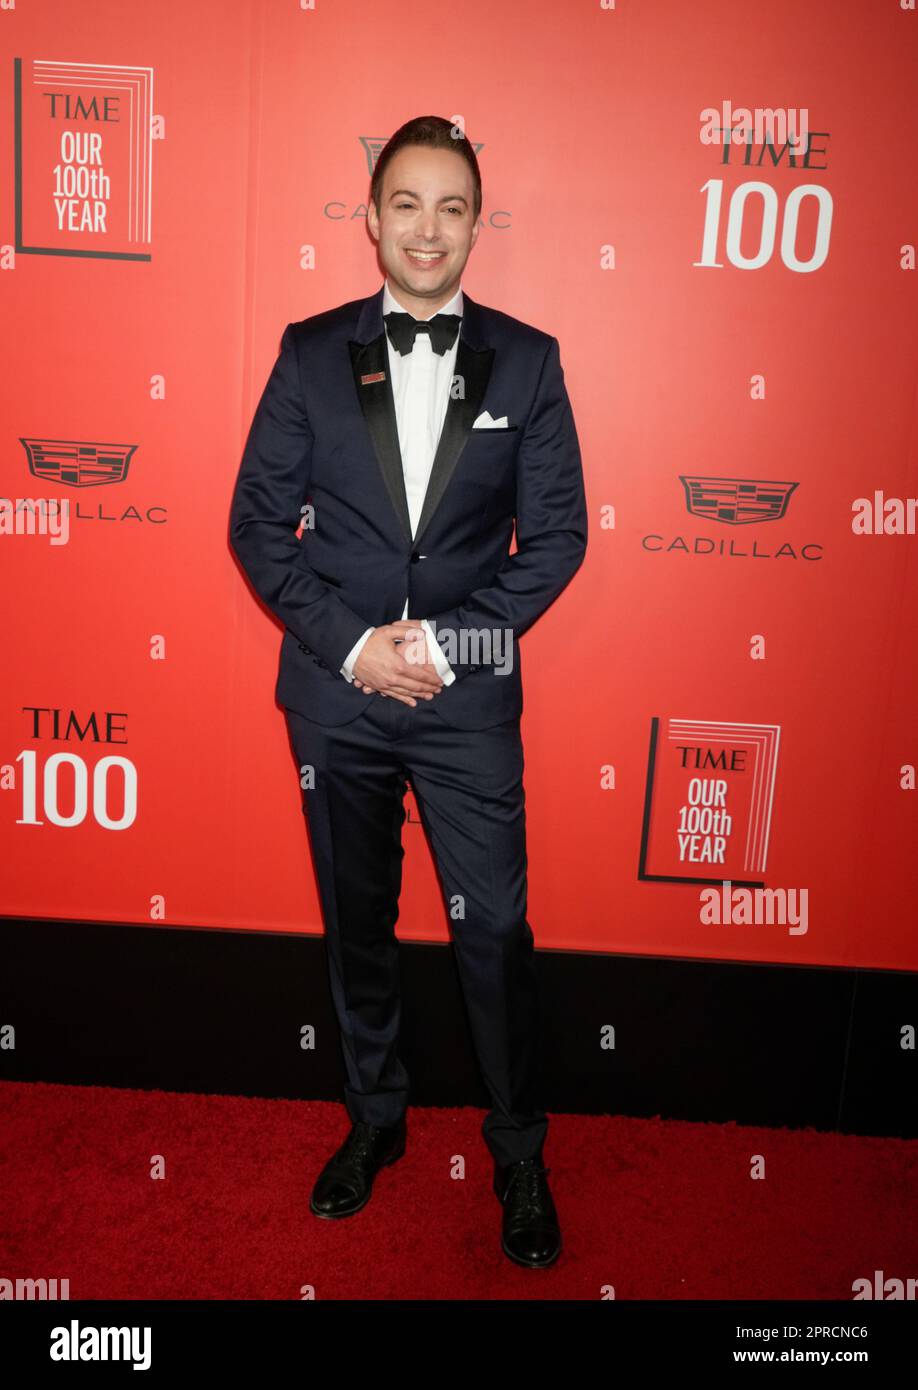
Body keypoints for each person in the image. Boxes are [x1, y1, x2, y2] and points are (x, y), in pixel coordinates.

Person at [229, 114, 587, 1269]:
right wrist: (354, 649)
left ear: (477, 223)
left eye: (452, 206)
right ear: (372, 216)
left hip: (467, 699)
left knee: (496, 935)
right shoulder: (306, 351)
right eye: (407, 203)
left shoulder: (529, 360)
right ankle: (375, 1123)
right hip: (339, 701)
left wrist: (443, 643)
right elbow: (257, 527)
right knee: (360, 933)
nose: (428, 228)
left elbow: (559, 538)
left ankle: (519, 1152)